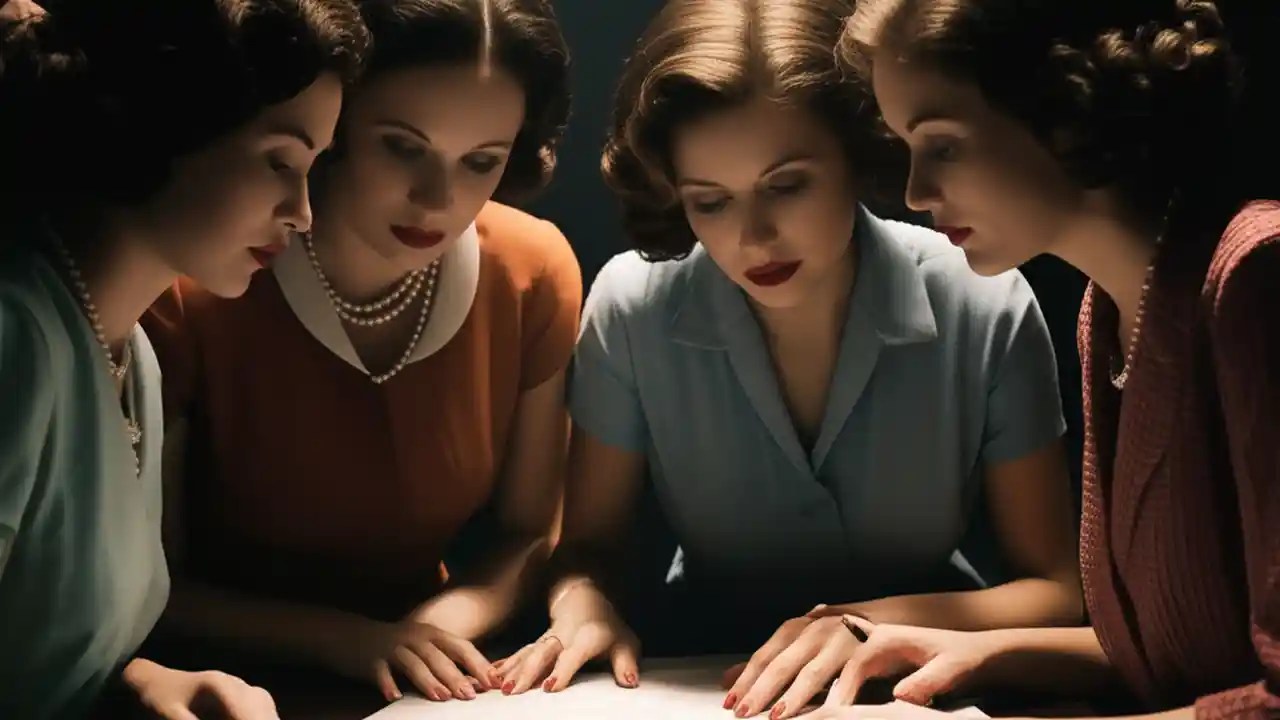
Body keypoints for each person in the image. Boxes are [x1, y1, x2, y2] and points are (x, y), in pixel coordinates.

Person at [493, 1, 1084, 717]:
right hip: (702, 681)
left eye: (787, 185)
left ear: (858, 154)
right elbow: (589, 551)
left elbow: (1057, 590)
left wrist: (862, 623)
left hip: (925, 683)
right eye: (711, 202)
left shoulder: (982, 300)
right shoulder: (632, 305)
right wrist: (582, 607)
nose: (753, 236)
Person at [799, 0, 1280, 718]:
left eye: (942, 146)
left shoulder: (1255, 278)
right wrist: (980, 652)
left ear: (1068, 106)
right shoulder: (1106, 313)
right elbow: (1174, 656)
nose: (915, 193)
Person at [140, 0, 579, 707]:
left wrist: (428, 633)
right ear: (335, 123)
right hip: (219, 687)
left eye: (481, 162)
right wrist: (342, 639)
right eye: (403, 147)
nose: (437, 198)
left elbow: (530, 534)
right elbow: (148, 587)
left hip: (428, 682)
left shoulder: (531, 271)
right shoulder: (199, 281)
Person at [0, 1, 367, 718]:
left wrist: (142, 681)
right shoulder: (17, 338)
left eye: (312, 169)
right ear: (167, 126)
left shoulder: (132, 353)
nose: (302, 212)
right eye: (279, 162)